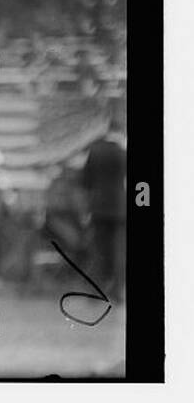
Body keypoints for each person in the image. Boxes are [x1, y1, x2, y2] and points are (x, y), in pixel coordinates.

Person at [82, 98, 127, 303]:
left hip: (98, 207)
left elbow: (86, 181)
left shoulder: (95, 150)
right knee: (119, 251)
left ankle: (96, 292)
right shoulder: (123, 151)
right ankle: (118, 292)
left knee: (98, 252)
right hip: (120, 208)